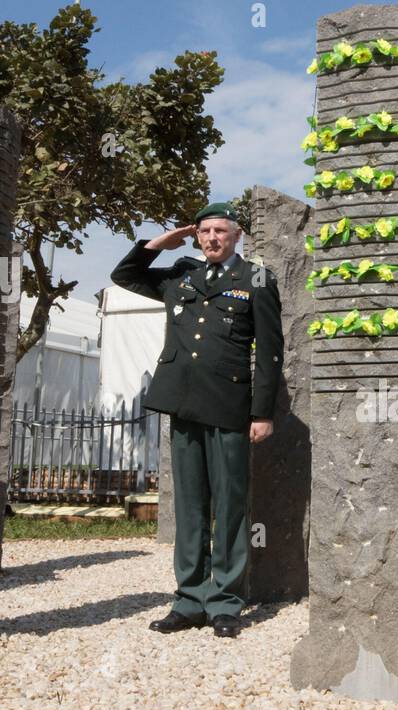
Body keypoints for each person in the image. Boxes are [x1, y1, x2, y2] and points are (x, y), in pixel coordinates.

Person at [111, 202, 283, 638]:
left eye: (220, 231)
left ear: (236, 235)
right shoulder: (179, 274)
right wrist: (157, 245)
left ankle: (224, 602)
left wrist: (263, 412)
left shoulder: (256, 279)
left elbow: (269, 351)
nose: (211, 238)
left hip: (229, 406)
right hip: (183, 403)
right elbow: (125, 276)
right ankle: (188, 600)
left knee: (228, 507)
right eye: (204, 231)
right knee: (189, 508)